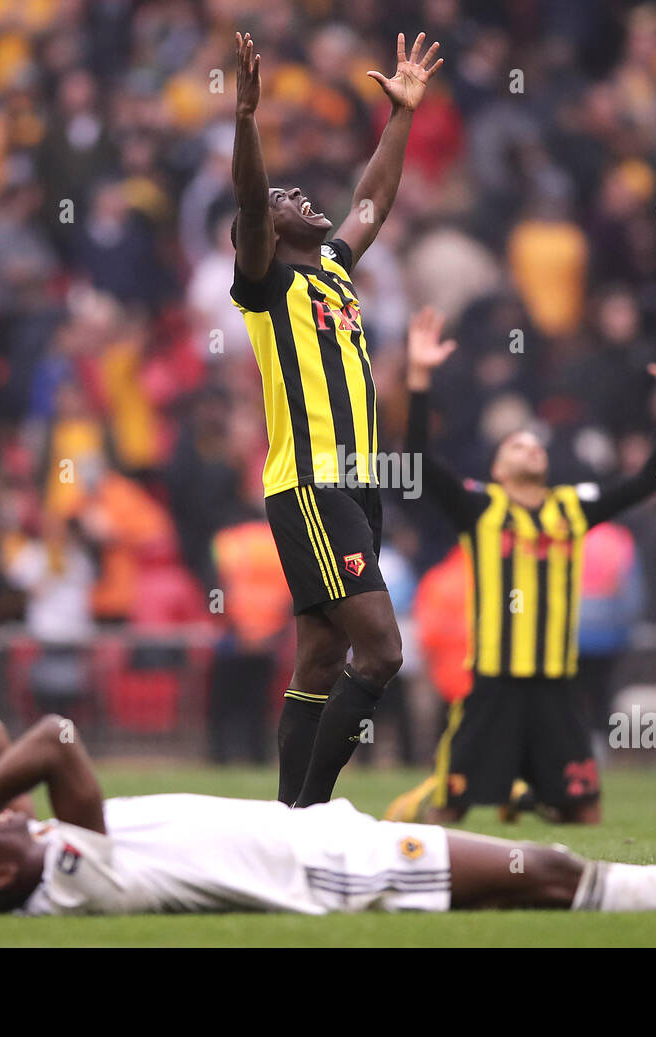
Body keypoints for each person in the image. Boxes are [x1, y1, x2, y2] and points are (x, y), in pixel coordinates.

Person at [0, 712, 656, 918]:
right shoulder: (67, 881)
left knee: (548, 867)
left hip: (325, 841)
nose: (12, 819)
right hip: (333, 875)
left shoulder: (18, 859)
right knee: (551, 870)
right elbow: (54, 738)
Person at [229, 31, 444, 807]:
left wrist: (400, 119)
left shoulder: (330, 273)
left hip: (356, 489)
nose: (302, 200)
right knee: (381, 652)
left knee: (320, 659)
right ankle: (310, 814)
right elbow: (251, 201)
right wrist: (247, 119)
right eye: (290, 201)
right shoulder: (265, 283)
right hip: (312, 486)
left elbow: (372, 202)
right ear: (271, 232)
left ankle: (289, 817)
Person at [386, 310, 656, 825]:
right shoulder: (481, 508)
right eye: (515, 444)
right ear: (499, 469)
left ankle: (530, 795)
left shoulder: (571, 509)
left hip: (556, 684)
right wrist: (419, 378)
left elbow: (648, 480)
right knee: (451, 807)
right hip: (494, 681)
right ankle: (463, 811)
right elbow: (417, 454)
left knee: (587, 816)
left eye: (533, 443)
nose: (528, 445)